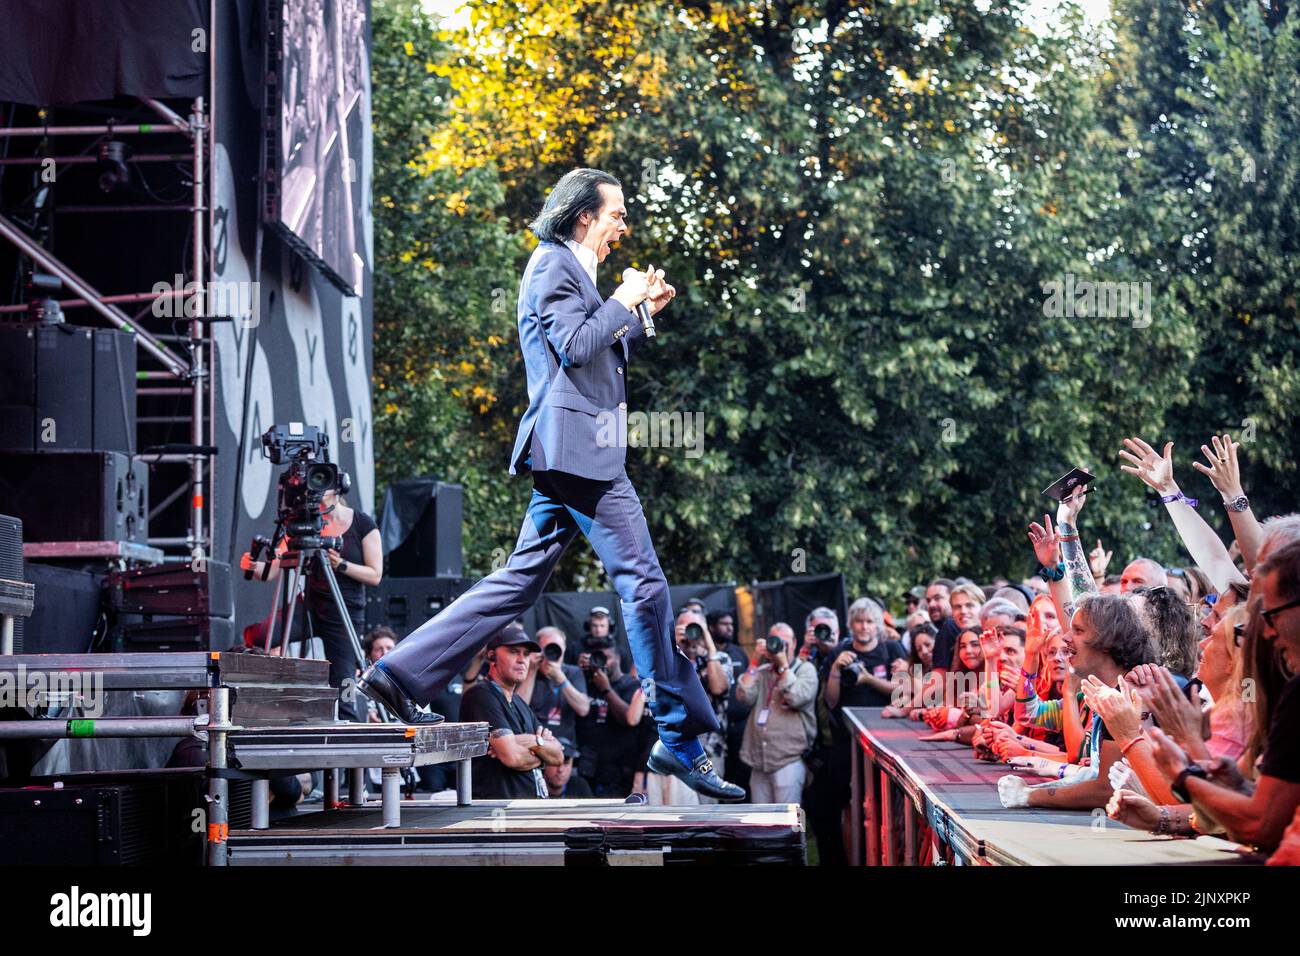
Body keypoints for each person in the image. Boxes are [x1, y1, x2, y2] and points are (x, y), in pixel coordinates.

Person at [355, 168, 742, 801]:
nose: (625, 226)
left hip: (573, 453)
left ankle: (396, 676)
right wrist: (623, 298)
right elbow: (571, 345)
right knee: (643, 584)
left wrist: (639, 315)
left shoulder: (572, 270)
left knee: (515, 584)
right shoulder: (551, 265)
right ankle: (677, 737)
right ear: (585, 215)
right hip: (579, 454)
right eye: (617, 214)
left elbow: (595, 354)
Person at [240, 488, 382, 721]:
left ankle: (350, 730)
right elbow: (271, 571)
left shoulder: (362, 523)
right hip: (310, 605)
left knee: (344, 678)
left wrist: (342, 565)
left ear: (336, 487)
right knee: (261, 635)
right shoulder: (304, 525)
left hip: (345, 611)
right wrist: (252, 565)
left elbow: (375, 575)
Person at [459, 625, 564, 799]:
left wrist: (532, 740)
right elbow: (512, 757)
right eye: (514, 652)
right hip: (497, 813)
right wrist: (541, 754)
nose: (522, 659)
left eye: (526, 654)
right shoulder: (480, 695)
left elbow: (558, 755)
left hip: (527, 810)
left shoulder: (518, 701)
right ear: (492, 656)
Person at [737, 623, 818, 804]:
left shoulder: (806, 670)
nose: (780, 647)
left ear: (795, 643)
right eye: (775, 641)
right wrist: (755, 661)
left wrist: (783, 666)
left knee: (788, 824)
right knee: (761, 823)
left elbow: (796, 697)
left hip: (788, 760)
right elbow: (744, 697)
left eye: (785, 642)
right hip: (759, 761)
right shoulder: (764, 672)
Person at [575, 627, 646, 797]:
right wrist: (578, 672)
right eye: (598, 658)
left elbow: (627, 719)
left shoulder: (631, 685)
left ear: (618, 658)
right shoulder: (585, 682)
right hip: (588, 768)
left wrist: (606, 689)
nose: (603, 663)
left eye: (607, 658)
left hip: (619, 772)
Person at [519, 626, 590, 746]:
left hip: (564, 746)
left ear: (564, 649)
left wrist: (562, 680)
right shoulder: (527, 671)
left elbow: (583, 710)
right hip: (534, 744)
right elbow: (518, 709)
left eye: (557, 648)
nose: (553, 653)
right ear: (539, 650)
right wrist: (532, 670)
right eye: (549, 648)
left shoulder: (573, 672)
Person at [709, 610, 753, 792]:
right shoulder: (705, 654)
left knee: (741, 778)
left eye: (731, 624)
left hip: (739, 728)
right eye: (724, 624)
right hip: (714, 732)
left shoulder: (739, 653)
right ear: (711, 628)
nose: (729, 628)